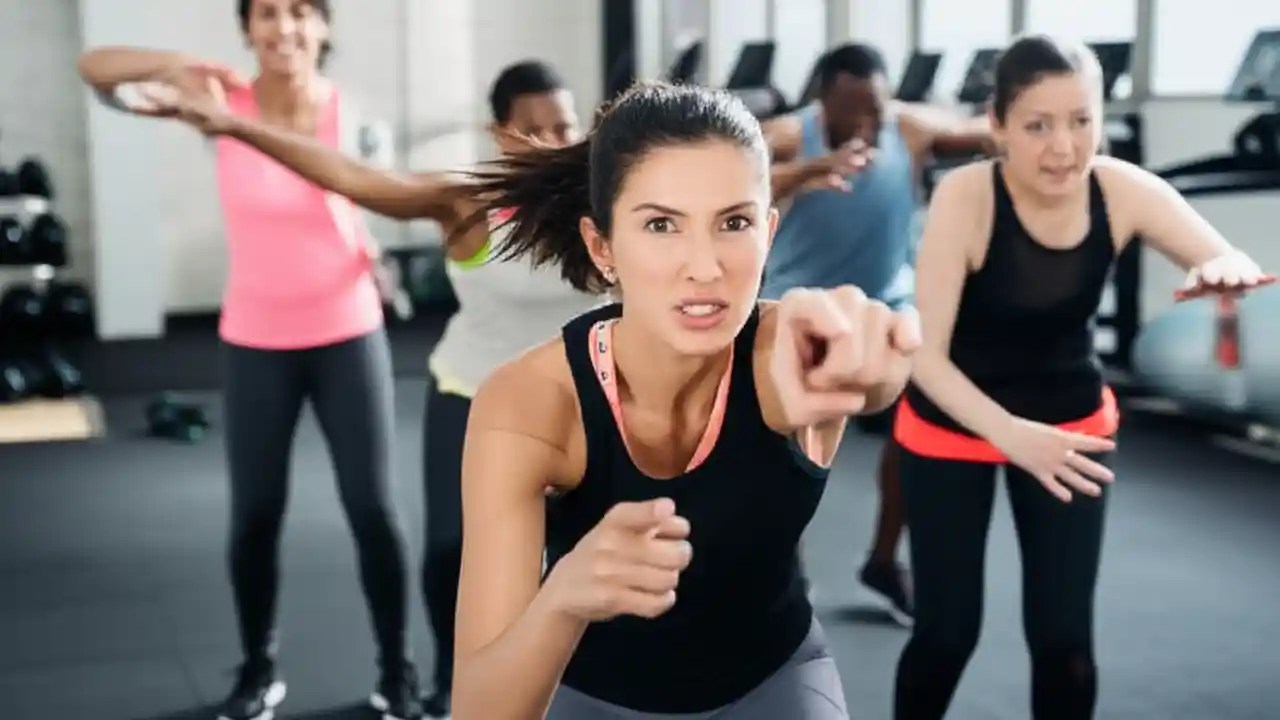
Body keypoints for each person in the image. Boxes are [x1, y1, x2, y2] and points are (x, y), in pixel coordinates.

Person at [438, 81, 919, 719]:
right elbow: (480, 710)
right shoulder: (530, 403)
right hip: (588, 694)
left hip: (772, 681)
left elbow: (857, 364)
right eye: (662, 225)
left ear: (769, 232)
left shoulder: (793, 355)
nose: (705, 266)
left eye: (734, 223)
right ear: (601, 246)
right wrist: (565, 596)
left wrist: (871, 349)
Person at [893, 35, 1270, 720]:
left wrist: (1221, 270)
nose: (1064, 146)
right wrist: (1013, 436)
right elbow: (924, 355)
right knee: (947, 636)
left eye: (1081, 120)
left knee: (1065, 644)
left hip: (1069, 427)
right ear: (999, 126)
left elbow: (1220, 254)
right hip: (952, 422)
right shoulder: (966, 197)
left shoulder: (1120, 190)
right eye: (1038, 125)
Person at [76, 2, 423, 719]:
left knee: (372, 511)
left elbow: (376, 196)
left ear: (323, 27)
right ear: (247, 29)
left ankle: (398, 674)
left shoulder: (350, 114)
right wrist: (168, 67)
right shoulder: (214, 102)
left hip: (346, 331)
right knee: (255, 516)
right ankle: (258, 672)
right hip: (257, 337)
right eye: (266, 12)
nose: (283, 27)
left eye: (300, 12)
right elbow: (94, 71)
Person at [760, 43, 993, 625]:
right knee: (794, 448)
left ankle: (885, 560)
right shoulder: (792, 137)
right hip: (802, 304)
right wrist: (810, 170)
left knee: (924, 422)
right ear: (823, 100)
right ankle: (789, 573)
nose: (865, 123)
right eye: (851, 111)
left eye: (875, 110)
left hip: (890, 308)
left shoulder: (906, 130)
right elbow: (728, 169)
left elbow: (977, 130)